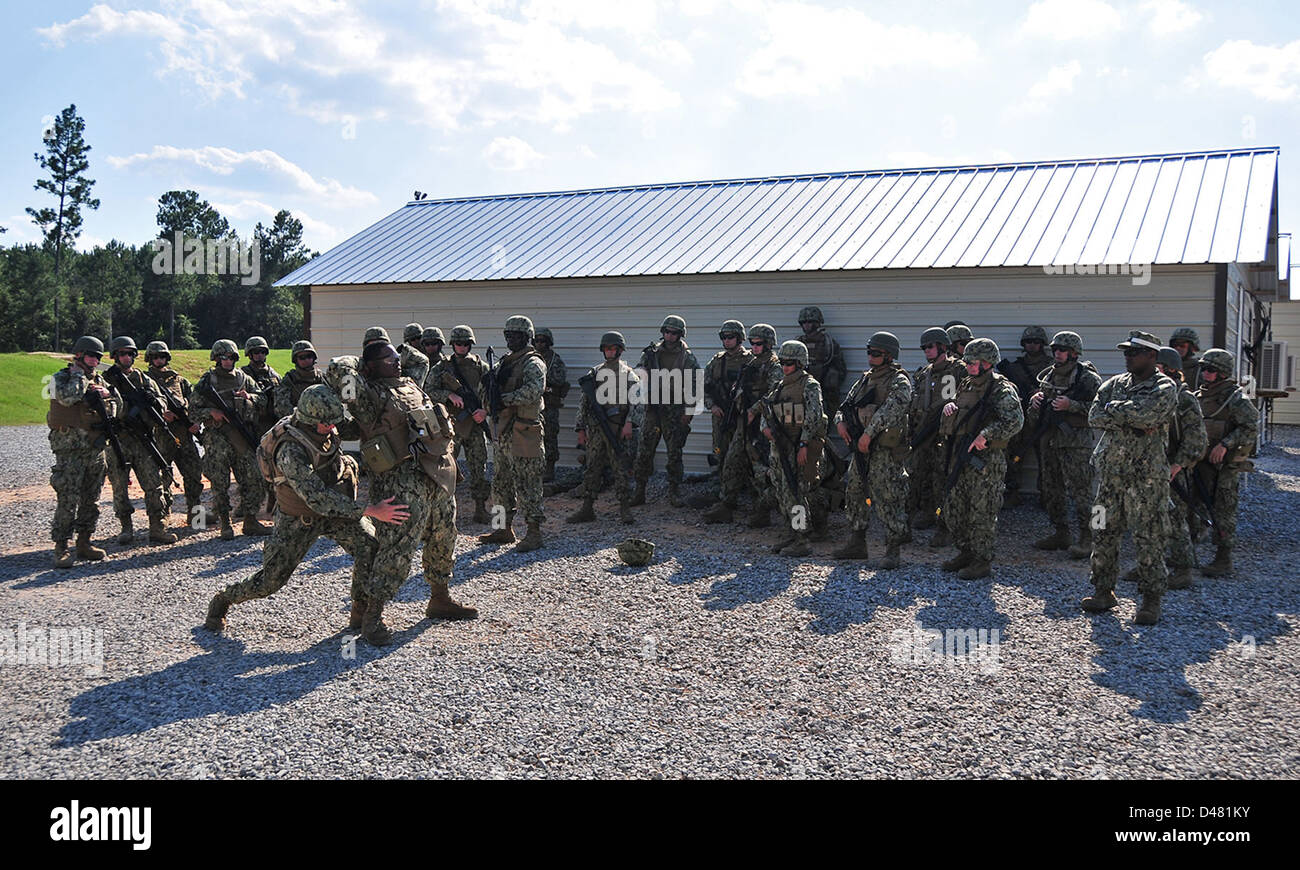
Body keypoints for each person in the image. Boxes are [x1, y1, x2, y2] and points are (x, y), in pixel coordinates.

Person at [204, 385, 411, 634]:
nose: (333, 428)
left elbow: (357, 428)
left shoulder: (324, 422)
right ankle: (222, 600)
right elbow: (317, 498)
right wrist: (370, 510)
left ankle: (361, 612)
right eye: (327, 424)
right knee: (270, 581)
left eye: (334, 422)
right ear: (310, 420)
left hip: (335, 511)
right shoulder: (290, 449)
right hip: (300, 518)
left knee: (369, 545)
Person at [327, 344, 476, 644]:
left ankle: (439, 598)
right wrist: (363, 361)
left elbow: (419, 358)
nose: (396, 363)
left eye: (396, 358)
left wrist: (395, 352)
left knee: (443, 535)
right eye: (388, 360)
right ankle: (371, 616)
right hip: (399, 482)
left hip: (434, 474)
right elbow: (335, 369)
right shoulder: (367, 397)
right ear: (370, 367)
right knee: (396, 549)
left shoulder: (409, 383)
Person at [1081, 331, 1178, 624]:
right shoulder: (1113, 385)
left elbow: (1151, 416)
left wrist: (1119, 413)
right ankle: (1103, 590)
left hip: (1146, 477)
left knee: (1148, 536)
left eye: (1133, 353)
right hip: (1111, 475)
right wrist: (1130, 417)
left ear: (1152, 356)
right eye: (1125, 352)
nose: (1127, 357)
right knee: (1102, 532)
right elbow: (1094, 416)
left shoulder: (1164, 386)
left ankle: (1150, 599)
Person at [936, 338, 1023, 580]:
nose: (968, 367)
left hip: (986, 461)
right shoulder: (966, 383)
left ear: (987, 363)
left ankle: (982, 560)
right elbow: (959, 405)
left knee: (982, 512)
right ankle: (966, 552)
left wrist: (987, 435)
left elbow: (1015, 421)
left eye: (973, 363)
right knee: (955, 508)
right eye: (967, 362)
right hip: (961, 454)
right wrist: (950, 408)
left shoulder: (1001, 389)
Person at [832, 332, 912, 567]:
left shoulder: (899, 381)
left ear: (888, 356)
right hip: (861, 448)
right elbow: (845, 406)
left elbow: (892, 410)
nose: (870, 356)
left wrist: (869, 434)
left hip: (884, 450)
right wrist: (840, 422)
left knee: (888, 496)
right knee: (854, 491)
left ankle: (893, 550)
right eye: (869, 352)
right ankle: (857, 542)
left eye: (875, 353)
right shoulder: (865, 379)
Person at [477, 315, 548, 551]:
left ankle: (534, 533)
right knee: (500, 483)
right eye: (508, 335)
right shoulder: (504, 362)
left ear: (527, 337)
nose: (511, 340)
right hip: (503, 430)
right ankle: (502, 528)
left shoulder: (533, 363)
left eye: (516, 336)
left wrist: (503, 400)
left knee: (528, 482)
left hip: (524, 430)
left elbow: (533, 392)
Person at [1029, 331, 1101, 559]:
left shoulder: (1087, 378)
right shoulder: (1048, 376)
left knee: (1082, 492)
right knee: (1051, 489)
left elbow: (1101, 410)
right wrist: (1035, 403)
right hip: (1050, 440)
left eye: (1062, 350)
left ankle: (1089, 538)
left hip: (1076, 443)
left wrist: (1072, 405)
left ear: (1073, 353)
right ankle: (1061, 532)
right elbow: (1038, 411)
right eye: (1055, 350)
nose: (1057, 354)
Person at [701, 323, 783, 525]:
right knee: (731, 460)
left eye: (759, 344)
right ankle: (726, 505)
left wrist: (754, 410)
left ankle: (762, 510)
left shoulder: (774, 366)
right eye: (752, 343)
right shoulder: (751, 364)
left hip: (762, 424)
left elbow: (774, 395)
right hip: (743, 423)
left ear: (769, 344)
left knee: (758, 467)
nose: (754, 347)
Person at [190, 339, 271, 539]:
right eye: (224, 357)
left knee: (254, 475)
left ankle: (250, 520)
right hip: (217, 437)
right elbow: (192, 411)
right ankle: (225, 523)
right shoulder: (208, 381)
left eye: (232, 357)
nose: (228, 361)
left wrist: (249, 398)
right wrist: (211, 412)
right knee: (220, 480)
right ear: (217, 359)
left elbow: (263, 400)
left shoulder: (244, 379)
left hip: (241, 435)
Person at [102, 336, 177, 545]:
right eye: (122, 354)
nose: (126, 357)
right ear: (115, 356)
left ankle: (157, 526)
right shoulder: (108, 379)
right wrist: (123, 406)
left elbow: (162, 400)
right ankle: (126, 528)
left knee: (154, 484)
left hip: (143, 439)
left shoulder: (144, 379)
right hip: (119, 440)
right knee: (119, 486)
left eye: (129, 353)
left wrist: (155, 402)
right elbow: (104, 406)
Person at [758, 340, 827, 557]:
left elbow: (814, 417)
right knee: (781, 491)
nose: (784, 366)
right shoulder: (780, 385)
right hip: (779, 448)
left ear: (799, 363)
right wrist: (764, 429)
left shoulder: (809, 385)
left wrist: (804, 444)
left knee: (796, 493)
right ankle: (792, 531)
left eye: (789, 363)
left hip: (798, 447)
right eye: (783, 362)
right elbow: (766, 410)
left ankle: (802, 538)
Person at [47, 335, 111, 568]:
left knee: (91, 499)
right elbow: (68, 398)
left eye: (97, 357)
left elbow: (118, 406)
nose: (94, 360)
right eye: (90, 355)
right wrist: (79, 376)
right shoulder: (60, 379)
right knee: (68, 499)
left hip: (95, 448)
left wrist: (106, 396)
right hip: (70, 450)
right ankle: (61, 546)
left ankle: (84, 542)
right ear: (79, 355)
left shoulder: (101, 381)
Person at [1194, 347, 1258, 577]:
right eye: (1203, 368)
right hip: (1200, 460)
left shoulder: (1234, 397)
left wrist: (1226, 444)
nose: (1205, 374)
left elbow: (1251, 426)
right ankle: (1185, 552)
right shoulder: (1199, 396)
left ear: (1222, 373)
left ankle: (1223, 559)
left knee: (1223, 509)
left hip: (1224, 465)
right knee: (1194, 504)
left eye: (1210, 370)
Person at [567, 331, 643, 524]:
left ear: (620, 350)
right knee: (592, 468)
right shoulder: (595, 373)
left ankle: (625, 508)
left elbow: (637, 402)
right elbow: (584, 403)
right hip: (597, 429)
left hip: (617, 429)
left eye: (612, 348)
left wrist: (629, 424)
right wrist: (580, 429)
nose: (609, 352)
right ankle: (587, 508)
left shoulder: (629, 374)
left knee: (620, 468)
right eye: (606, 349)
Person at [1152, 346, 1207, 590]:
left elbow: (1197, 439)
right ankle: (1152, 564)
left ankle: (1183, 569)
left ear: (1170, 369)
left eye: (1157, 366)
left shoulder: (1184, 398)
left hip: (1172, 468)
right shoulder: (1151, 392)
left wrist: (1178, 464)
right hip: (1149, 466)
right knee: (1149, 520)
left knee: (1176, 520)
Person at [425, 325, 492, 524]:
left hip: (474, 425)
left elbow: (492, 393)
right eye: (458, 344)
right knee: (445, 468)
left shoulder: (481, 366)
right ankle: (442, 511)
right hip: (451, 426)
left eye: (465, 344)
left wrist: (484, 410)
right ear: (452, 344)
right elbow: (428, 391)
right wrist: (448, 395)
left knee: (479, 467)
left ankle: (480, 508)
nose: (462, 347)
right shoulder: (442, 367)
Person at [632, 315, 701, 508]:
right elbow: (638, 373)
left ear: (680, 334)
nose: (669, 336)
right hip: (653, 409)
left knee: (674, 452)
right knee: (644, 450)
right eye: (667, 332)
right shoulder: (651, 353)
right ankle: (639, 490)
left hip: (675, 410)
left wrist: (689, 411)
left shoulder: (687, 357)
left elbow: (696, 385)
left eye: (674, 333)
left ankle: (674, 491)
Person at [907, 327, 964, 545]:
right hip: (923, 433)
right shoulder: (924, 374)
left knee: (943, 480)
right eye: (924, 348)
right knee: (919, 477)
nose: (926, 351)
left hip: (946, 435)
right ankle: (927, 513)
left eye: (930, 346)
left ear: (942, 346)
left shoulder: (959, 370)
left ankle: (945, 527)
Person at [142, 340, 205, 524]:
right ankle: (164, 514)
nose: (159, 360)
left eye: (162, 356)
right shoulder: (146, 381)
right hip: (162, 435)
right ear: (149, 359)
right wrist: (161, 415)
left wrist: (193, 421)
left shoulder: (179, 380)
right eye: (155, 357)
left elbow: (194, 402)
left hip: (184, 434)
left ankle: (196, 516)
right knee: (164, 477)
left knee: (194, 475)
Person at [998, 326, 1052, 506]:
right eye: (1028, 342)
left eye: (1036, 342)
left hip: (1044, 418)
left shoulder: (1052, 368)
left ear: (1042, 344)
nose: (1032, 345)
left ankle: (1048, 495)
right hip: (1021, 418)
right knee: (1014, 455)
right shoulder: (1014, 368)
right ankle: (1012, 492)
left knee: (1046, 458)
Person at [704, 320, 751, 478]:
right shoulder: (716, 361)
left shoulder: (750, 360)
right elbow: (704, 387)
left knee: (744, 450)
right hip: (721, 414)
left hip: (743, 416)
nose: (726, 340)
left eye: (730, 337)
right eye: (723, 337)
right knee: (718, 450)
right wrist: (712, 406)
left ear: (739, 338)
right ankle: (719, 482)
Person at [533, 327, 569, 483]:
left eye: (543, 341)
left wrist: (544, 386)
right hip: (531, 405)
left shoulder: (555, 360)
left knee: (550, 436)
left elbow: (560, 381)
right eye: (537, 341)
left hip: (548, 405)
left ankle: (549, 468)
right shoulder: (529, 358)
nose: (540, 344)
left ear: (549, 342)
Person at [797, 306, 847, 415]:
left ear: (818, 322)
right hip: (802, 393)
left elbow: (841, 370)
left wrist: (829, 381)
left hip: (824, 394)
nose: (806, 325)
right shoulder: (798, 344)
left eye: (810, 321)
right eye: (803, 322)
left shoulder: (829, 343)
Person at [274, 340, 324, 418]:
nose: (306, 360)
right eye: (302, 357)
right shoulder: (289, 380)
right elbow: (281, 406)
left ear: (313, 358)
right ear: (296, 360)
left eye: (309, 356)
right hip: (297, 423)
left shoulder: (321, 378)